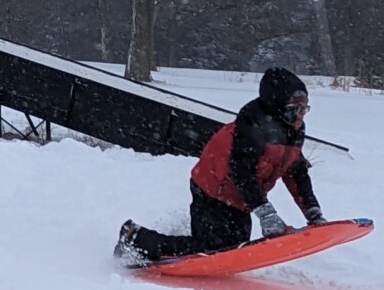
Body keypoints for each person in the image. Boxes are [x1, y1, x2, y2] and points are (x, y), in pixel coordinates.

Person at [117, 67, 328, 267]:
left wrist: (312, 211)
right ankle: (136, 239)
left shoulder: (293, 130)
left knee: (233, 249)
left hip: (241, 198)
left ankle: (171, 238)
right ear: (277, 106)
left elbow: (296, 172)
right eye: (294, 110)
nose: (300, 116)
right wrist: (265, 212)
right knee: (211, 249)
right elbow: (242, 173)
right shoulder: (251, 126)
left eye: (304, 109)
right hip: (212, 189)